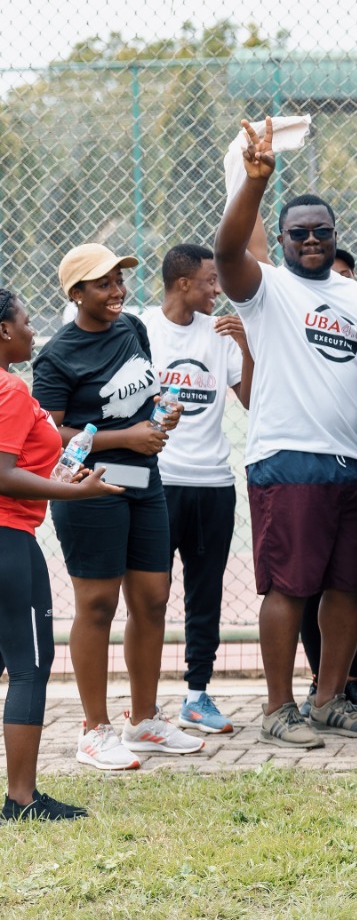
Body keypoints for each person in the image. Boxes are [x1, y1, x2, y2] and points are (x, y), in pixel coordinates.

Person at [216, 119, 357, 748]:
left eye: (322, 232)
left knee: (350, 586)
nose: (310, 240)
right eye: (298, 233)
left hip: (353, 461)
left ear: (336, 237)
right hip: (287, 459)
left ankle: (329, 699)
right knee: (289, 587)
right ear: (282, 240)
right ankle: (277, 708)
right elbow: (230, 252)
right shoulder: (267, 289)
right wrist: (256, 184)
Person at [32, 244, 204, 769]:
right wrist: (123, 436)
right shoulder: (56, 357)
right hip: (90, 489)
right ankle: (93, 729)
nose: (117, 292)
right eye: (103, 284)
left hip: (145, 483)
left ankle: (144, 720)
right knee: (99, 605)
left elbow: (146, 396)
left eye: (119, 281)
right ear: (76, 294)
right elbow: (52, 433)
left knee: (152, 598)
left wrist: (160, 419)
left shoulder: (132, 327)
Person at [0, 288, 120, 819]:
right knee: (30, 666)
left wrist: (56, 476)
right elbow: (1, 476)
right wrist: (79, 491)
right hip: (8, 541)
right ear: (4, 331)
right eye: (26, 323)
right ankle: (22, 800)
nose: (33, 331)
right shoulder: (7, 389)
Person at [148, 243, 253, 735]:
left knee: (204, 593)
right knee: (149, 595)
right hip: (160, 482)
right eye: (211, 281)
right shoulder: (143, 329)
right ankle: (142, 704)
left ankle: (197, 695)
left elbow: (251, 399)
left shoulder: (221, 332)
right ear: (183, 283)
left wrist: (247, 345)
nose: (219, 289)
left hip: (213, 482)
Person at [300, 237, 357, 720]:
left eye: (347, 275)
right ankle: (321, 679)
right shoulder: (296, 325)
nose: (339, 283)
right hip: (308, 466)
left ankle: (356, 678)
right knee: (310, 580)